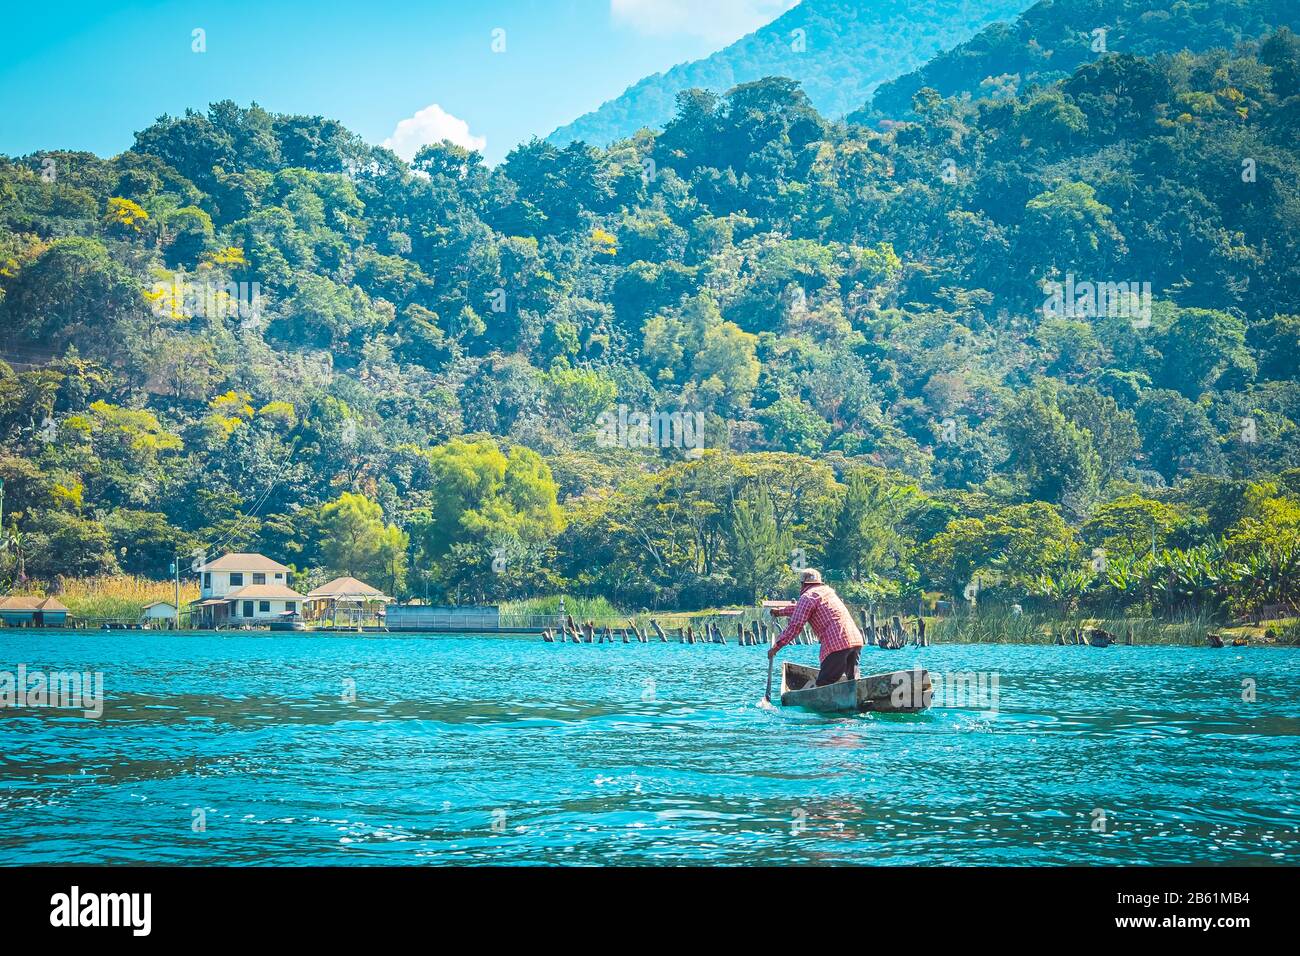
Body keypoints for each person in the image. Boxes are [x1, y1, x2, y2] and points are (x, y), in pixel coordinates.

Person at [768, 569, 864, 686]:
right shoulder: (828, 592)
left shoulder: (807, 597)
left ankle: (828, 703)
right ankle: (857, 699)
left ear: (803, 584)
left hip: (836, 644)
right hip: (855, 641)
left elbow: (795, 626)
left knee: (824, 684)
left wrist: (776, 646)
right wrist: (780, 612)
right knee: (854, 682)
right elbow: (800, 609)